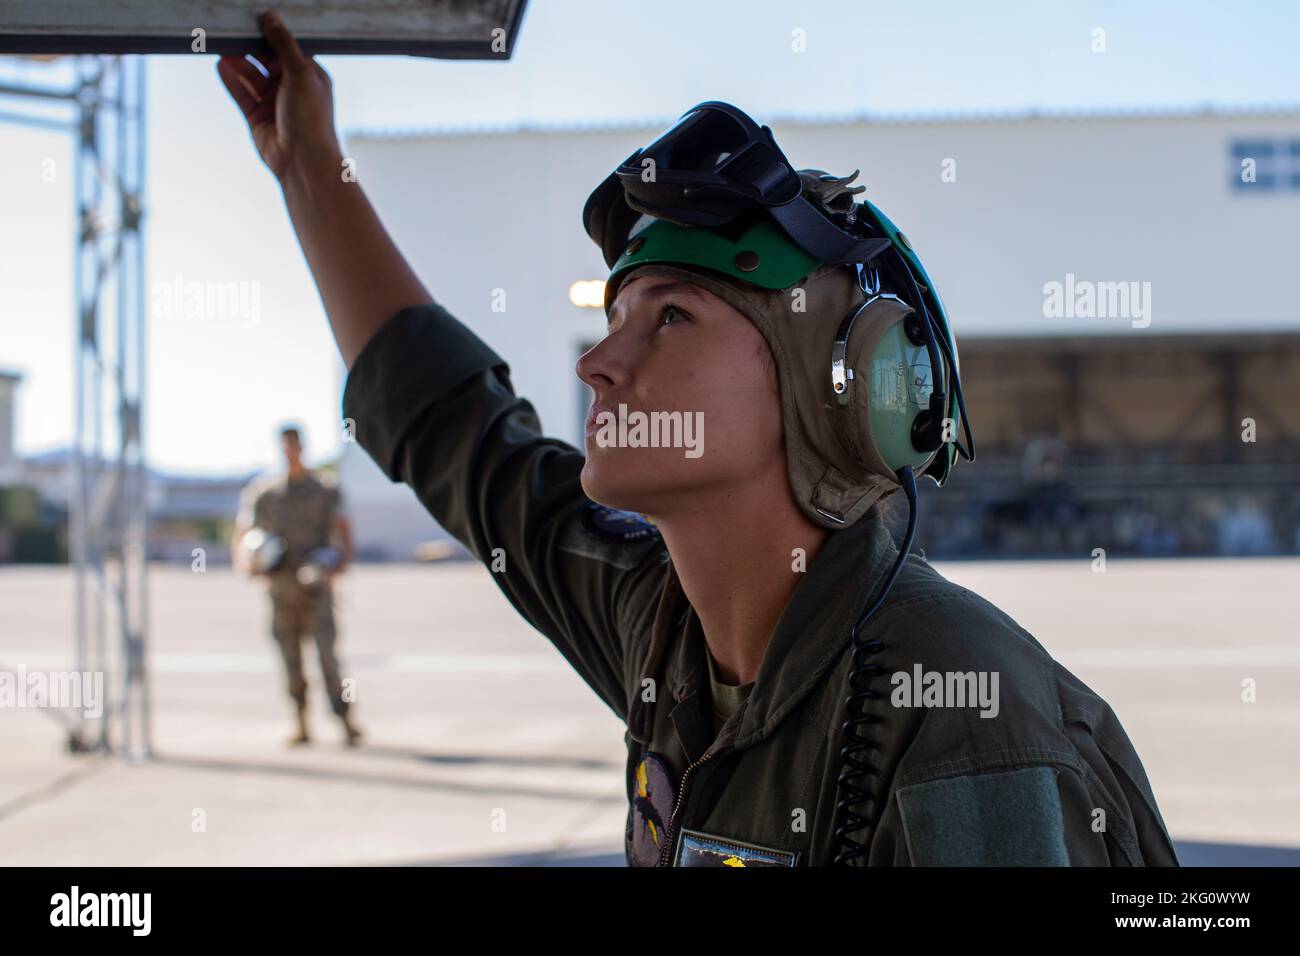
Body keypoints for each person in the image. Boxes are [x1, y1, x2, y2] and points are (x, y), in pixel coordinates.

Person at [217, 10, 1179, 866]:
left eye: (670, 319)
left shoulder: (964, 707)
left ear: (839, 389)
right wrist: (307, 165)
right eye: (612, 319)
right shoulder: (661, 621)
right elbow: (458, 431)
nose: (600, 364)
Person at [233, 423, 362, 747]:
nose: (290, 451)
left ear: (302, 447)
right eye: (285, 445)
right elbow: (244, 536)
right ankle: (300, 722)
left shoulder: (325, 489)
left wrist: (340, 565)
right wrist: (248, 565)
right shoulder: (265, 493)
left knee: (328, 658)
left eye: (294, 445)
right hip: (280, 590)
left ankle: (345, 720)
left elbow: (343, 530)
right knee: (290, 660)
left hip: (316, 588)